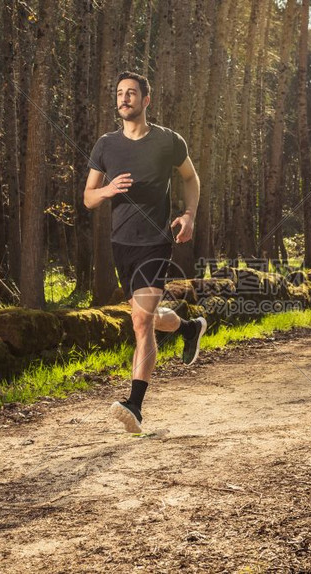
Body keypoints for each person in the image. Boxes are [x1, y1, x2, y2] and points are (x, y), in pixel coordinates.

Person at [84, 71, 207, 434]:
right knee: (148, 318)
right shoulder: (105, 145)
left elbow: (191, 178)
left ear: (146, 100)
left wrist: (189, 214)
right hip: (121, 243)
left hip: (156, 241)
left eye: (132, 93)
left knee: (140, 321)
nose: (124, 99)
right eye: (120, 93)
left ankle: (134, 405)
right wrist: (107, 191)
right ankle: (188, 328)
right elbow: (88, 198)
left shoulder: (168, 141)